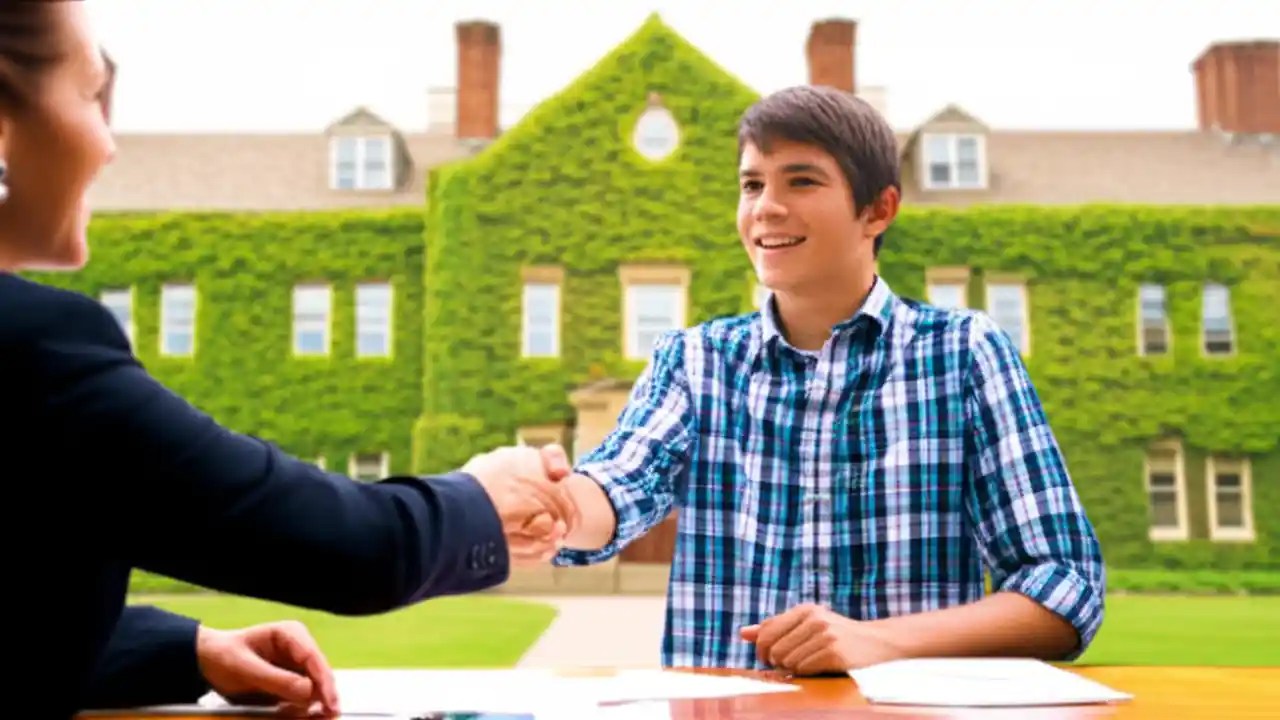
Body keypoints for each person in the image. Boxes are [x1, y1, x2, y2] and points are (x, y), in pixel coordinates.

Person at [0, 4, 578, 717]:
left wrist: (188, 649)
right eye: (92, 95)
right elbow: (347, 545)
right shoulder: (34, 346)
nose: (111, 145)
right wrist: (482, 496)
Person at [545, 85, 1107, 674]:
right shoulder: (695, 361)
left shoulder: (963, 355)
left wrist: (880, 642)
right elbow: (617, 483)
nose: (765, 206)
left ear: (879, 210)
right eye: (752, 184)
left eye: (802, 181)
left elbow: (1066, 588)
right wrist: (550, 501)